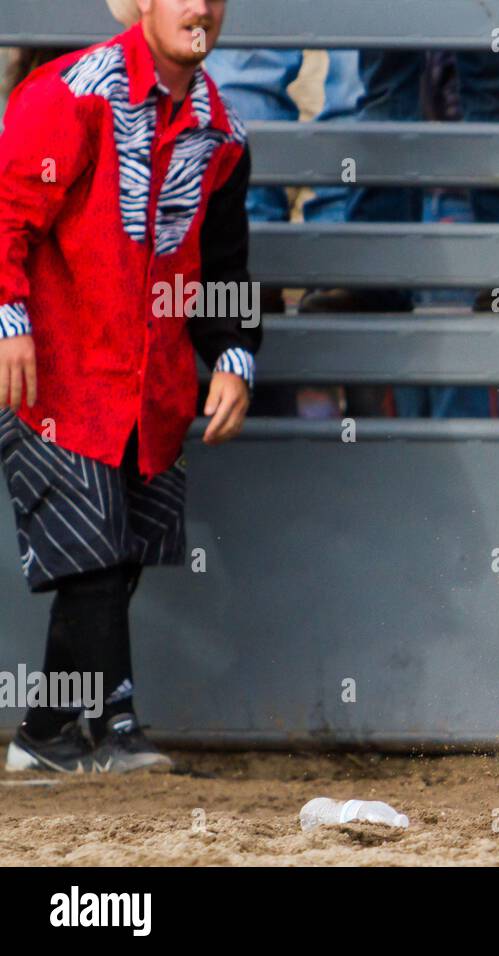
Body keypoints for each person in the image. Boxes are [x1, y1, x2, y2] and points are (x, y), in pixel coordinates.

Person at [0, 0, 258, 772]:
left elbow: (222, 266)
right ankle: (114, 729)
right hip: (56, 372)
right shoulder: (67, 95)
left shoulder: (223, 131)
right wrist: (8, 317)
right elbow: (6, 217)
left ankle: (44, 736)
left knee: (113, 561)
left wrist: (237, 357)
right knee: (97, 559)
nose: (201, 8)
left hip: (151, 388)